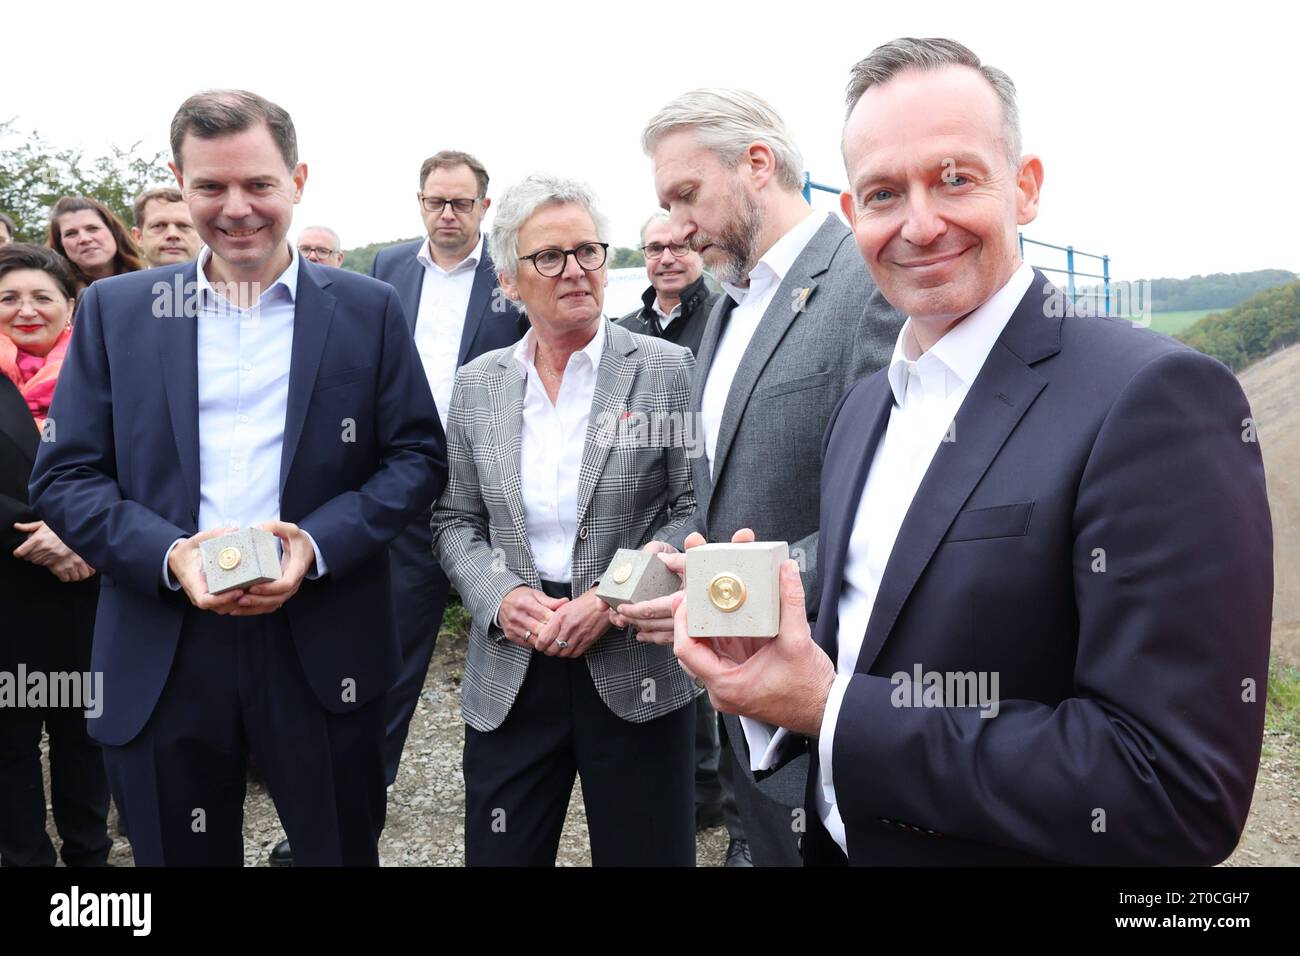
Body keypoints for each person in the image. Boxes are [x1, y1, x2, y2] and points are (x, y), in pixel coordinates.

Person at [673, 37, 1274, 866]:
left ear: (1024, 189)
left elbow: (1173, 790)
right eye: (884, 193)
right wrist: (771, 671)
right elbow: (873, 645)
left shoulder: (1156, 399)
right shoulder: (863, 413)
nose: (921, 224)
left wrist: (830, 707)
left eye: (954, 178)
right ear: (853, 219)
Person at [29, 89, 447, 866]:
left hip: (321, 642)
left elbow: (417, 459)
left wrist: (315, 545)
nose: (237, 208)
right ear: (178, 183)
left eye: (258, 184)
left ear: (298, 180)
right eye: (211, 186)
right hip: (163, 643)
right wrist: (169, 554)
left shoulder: (369, 309)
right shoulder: (117, 312)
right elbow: (68, 476)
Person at [614, 88, 903, 867]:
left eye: (685, 195)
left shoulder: (865, 282)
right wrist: (680, 571)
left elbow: (894, 509)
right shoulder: (725, 305)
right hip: (743, 697)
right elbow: (718, 486)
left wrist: (732, 591)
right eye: (664, 204)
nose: (673, 227)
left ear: (757, 164)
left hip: (833, 689)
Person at [431, 173, 698, 866]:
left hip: (633, 658)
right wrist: (502, 597)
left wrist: (611, 599)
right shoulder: (478, 384)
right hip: (513, 667)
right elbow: (455, 520)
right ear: (509, 280)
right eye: (549, 256)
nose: (575, 270)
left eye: (589, 251)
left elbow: (692, 511)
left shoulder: (668, 370)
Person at [369, 151, 522, 784]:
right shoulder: (386, 269)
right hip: (406, 481)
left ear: (485, 208)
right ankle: (356, 803)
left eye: (462, 202)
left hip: (492, 488)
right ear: (420, 202)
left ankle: (512, 801)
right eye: (437, 201)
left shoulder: (513, 269)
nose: (448, 213)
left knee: (515, 638)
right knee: (390, 655)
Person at [0, 243, 109, 867]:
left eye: (42, 296)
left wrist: (79, 535)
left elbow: (139, 468)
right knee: (10, 744)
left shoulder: (105, 370)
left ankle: (90, 862)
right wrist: (33, 539)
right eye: (9, 297)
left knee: (86, 736)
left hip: (90, 584)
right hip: (9, 592)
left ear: (72, 304)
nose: (26, 309)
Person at [618, 212, 716, 356]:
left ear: (700, 251)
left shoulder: (728, 320)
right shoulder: (621, 335)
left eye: (679, 246)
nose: (667, 259)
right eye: (655, 249)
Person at [46, 196, 145, 291]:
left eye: (93, 229)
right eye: (71, 234)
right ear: (60, 245)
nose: (84, 239)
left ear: (113, 232)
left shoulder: (150, 284)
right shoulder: (54, 296)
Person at [131, 187, 201, 267]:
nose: (173, 234)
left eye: (184, 226)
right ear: (139, 237)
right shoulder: (122, 280)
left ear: (202, 236)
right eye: (159, 226)